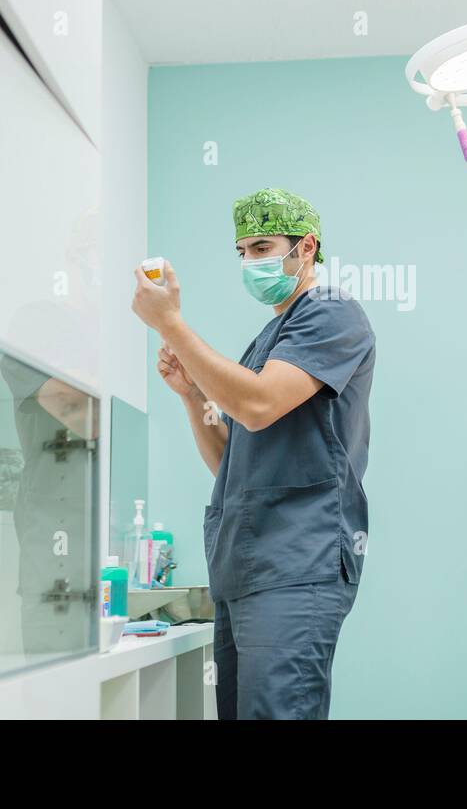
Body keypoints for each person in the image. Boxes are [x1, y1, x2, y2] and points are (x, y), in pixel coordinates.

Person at [129, 187, 375, 719]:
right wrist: (193, 397)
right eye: (241, 251)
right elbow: (229, 465)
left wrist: (170, 321)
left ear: (306, 247)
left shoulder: (332, 313)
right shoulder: (270, 337)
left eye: (262, 247)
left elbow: (259, 405)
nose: (250, 261)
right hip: (244, 568)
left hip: (296, 559)